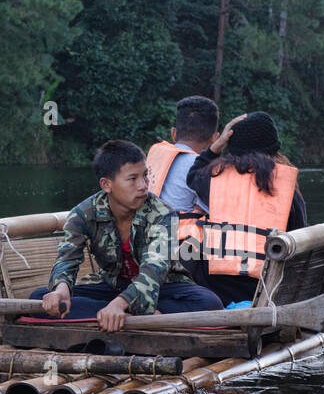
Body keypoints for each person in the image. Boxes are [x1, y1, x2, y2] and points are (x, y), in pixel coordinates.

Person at [30, 140, 223, 333]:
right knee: (39, 298)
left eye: (145, 176)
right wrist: (61, 288)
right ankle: (135, 318)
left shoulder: (162, 214)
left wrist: (121, 303)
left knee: (209, 302)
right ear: (106, 185)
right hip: (112, 286)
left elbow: (154, 269)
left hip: (161, 287)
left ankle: (120, 314)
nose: (143, 185)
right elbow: (67, 258)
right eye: (132, 179)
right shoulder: (83, 213)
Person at [185, 112, 307, 307]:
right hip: (265, 291)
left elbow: (192, 176)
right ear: (273, 149)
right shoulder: (288, 191)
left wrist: (215, 147)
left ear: (232, 149)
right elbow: (300, 236)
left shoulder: (215, 179)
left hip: (216, 290)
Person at [146, 96, 217, 213]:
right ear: (215, 138)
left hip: (147, 228)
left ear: (173, 133)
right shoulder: (205, 170)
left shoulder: (155, 156)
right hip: (179, 230)